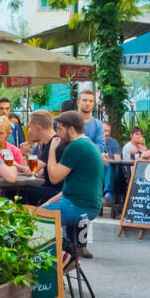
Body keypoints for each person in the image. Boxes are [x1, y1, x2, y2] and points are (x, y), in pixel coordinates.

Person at [42, 110, 104, 260]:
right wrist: (48, 203)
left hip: (78, 207)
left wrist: (51, 150)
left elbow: (54, 178)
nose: (57, 134)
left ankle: (66, 248)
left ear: (71, 129)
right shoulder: (88, 143)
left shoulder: (76, 146)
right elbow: (73, 187)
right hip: (85, 205)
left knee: (36, 219)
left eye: (60, 129)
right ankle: (71, 248)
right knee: (41, 210)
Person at [99, 120, 122, 207]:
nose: (107, 133)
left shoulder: (113, 142)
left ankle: (108, 194)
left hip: (115, 172)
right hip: (98, 171)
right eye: (105, 131)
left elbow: (118, 159)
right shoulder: (95, 141)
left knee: (109, 165)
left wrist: (109, 159)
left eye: (108, 131)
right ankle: (107, 194)